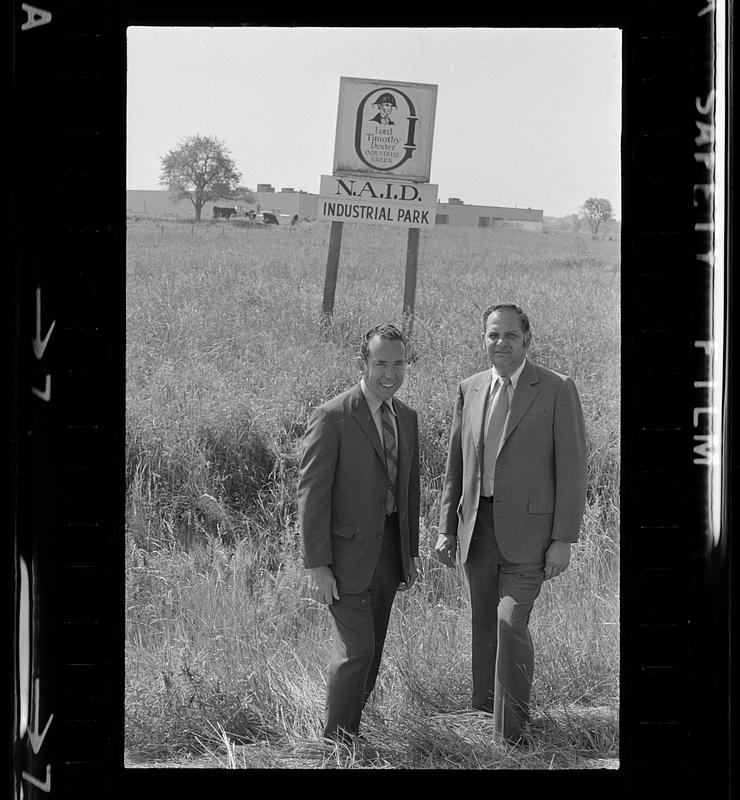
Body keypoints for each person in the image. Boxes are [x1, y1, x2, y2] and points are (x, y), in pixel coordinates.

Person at [434, 302, 587, 745]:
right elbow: (456, 465)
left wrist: (563, 538)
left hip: (531, 538)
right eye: (493, 335)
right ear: (484, 339)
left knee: (509, 623)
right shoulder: (470, 388)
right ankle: (484, 715)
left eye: (510, 335)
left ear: (527, 340)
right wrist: (446, 528)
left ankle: (511, 736)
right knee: (484, 625)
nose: (500, 343)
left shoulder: (557, 388)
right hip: (477, 531)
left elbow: (573, 469)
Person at [298, 323, 420, 750]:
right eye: (381, 363)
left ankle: (350, 733)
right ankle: (335, 745)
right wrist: (317, 565)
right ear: (362, 363)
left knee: (372, 655)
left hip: (388, 553)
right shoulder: (332, 416)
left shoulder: (407, 417)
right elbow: (311, 496)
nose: (390, 373)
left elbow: (409, 491)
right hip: (344, 558)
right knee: (356, 653)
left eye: (398, 363)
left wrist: (410, 554)